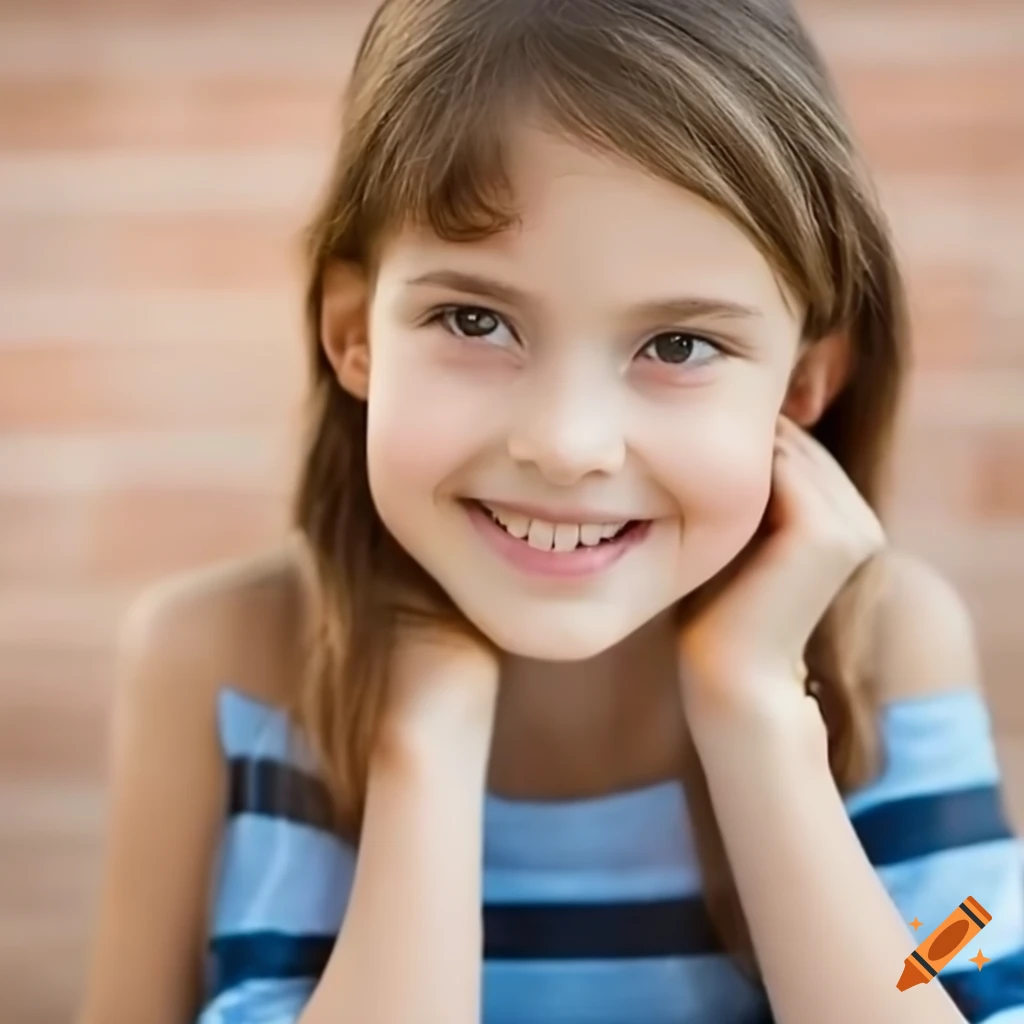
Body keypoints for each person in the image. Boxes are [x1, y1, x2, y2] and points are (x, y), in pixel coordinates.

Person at [77, 1, 1024, 1022]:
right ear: (355, 335)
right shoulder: (214, 657)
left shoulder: (885, 651)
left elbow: (950, 970)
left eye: (677, 345)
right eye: (474, 319)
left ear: (800, 386)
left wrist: (757, 720)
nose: (568, 444)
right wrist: (421, 744)